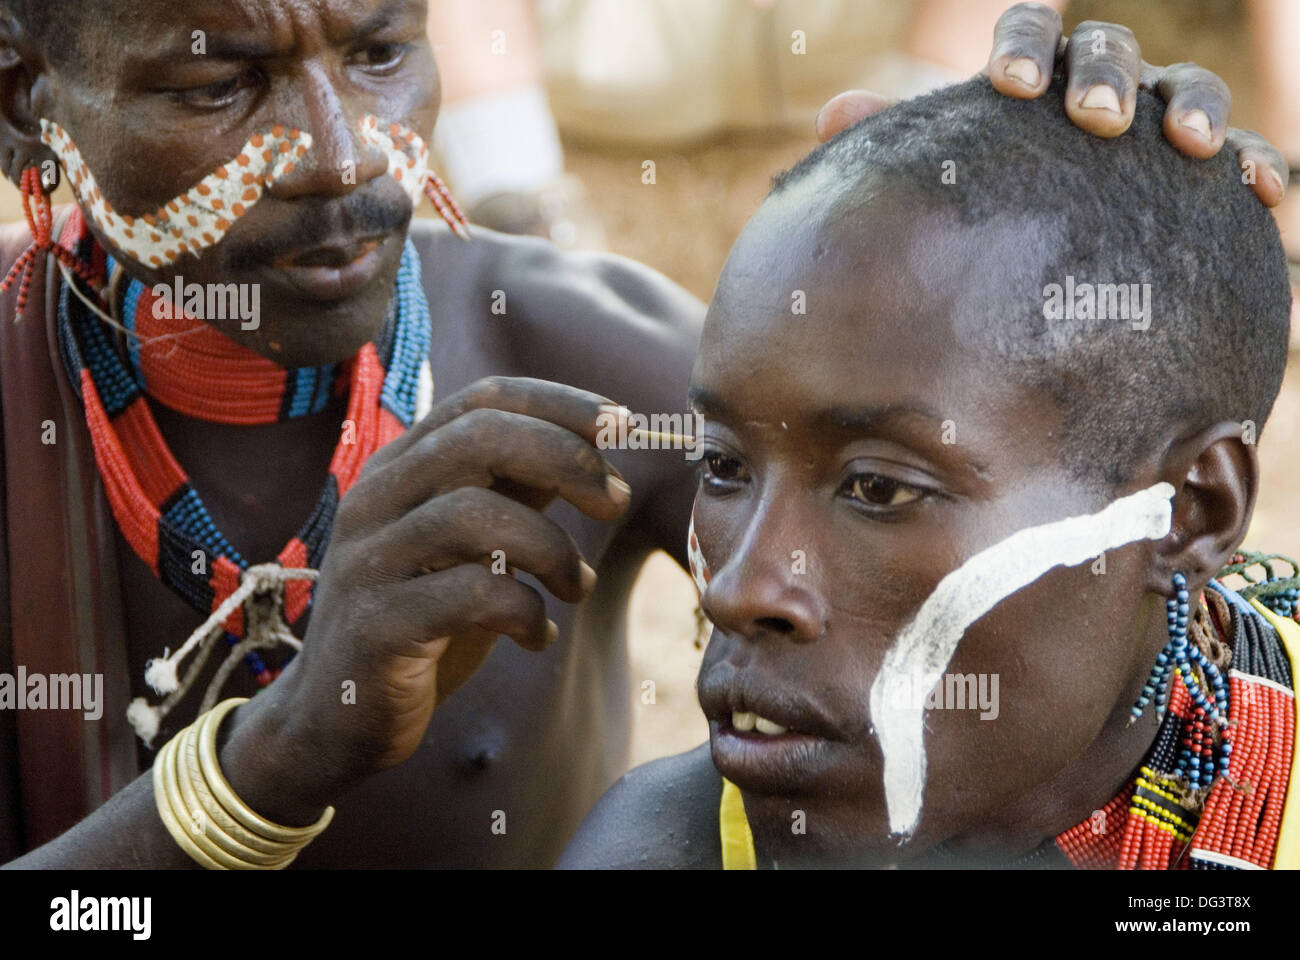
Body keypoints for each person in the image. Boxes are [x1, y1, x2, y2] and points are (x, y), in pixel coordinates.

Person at [0, 0, 1287, 869]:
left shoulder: (574, 351)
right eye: (221, 83)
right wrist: (275, 761)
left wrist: (1073, 205)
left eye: (382, 50)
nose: (341, 157)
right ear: (25, 96)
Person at [558, 72, 1299, 869]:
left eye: (878, 487)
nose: (739, 590)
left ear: (1193, 511)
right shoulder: (663, 851)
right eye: (725, 464)